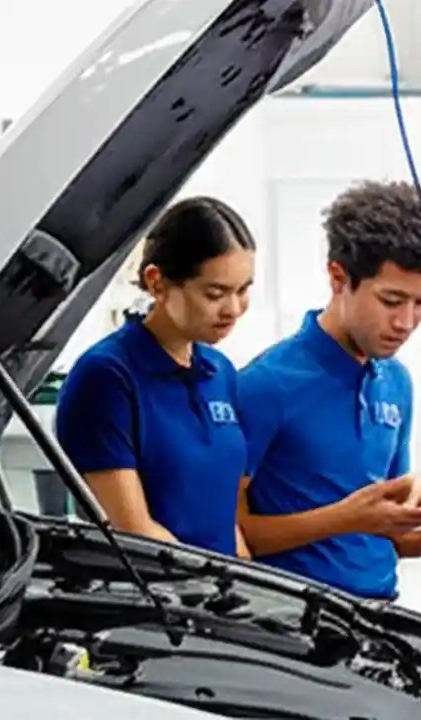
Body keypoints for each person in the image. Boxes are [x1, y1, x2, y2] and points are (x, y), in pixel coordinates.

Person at [236, 180, 421, 600]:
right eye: (391, 300)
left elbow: (388, 537)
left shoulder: (396, 382)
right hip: (293, 625)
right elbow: (233, 538)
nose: (406, 321)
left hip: (378, 617)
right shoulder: (265, 385)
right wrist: (345, 519)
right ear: (338, 278)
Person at [54, 196, 257, 557]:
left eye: (243, 290)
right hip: (155, 594)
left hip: (222, 594)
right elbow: (133, 530)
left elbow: (224, 518)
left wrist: (254, 588)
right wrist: (214, 590)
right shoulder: (106, 378)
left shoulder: (220, 372)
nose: (234, 309)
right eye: (215, 293)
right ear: (157, 282)